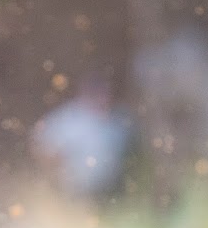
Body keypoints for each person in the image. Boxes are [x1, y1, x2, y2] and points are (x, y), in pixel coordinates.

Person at [30, 75, 132, 203]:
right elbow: (43, 147)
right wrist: (56, 179)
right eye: (96, 94)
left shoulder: (118, 121)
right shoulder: (69, 118)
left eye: (104, 94)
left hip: (112, 194)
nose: (101, 99)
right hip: (75, 193)